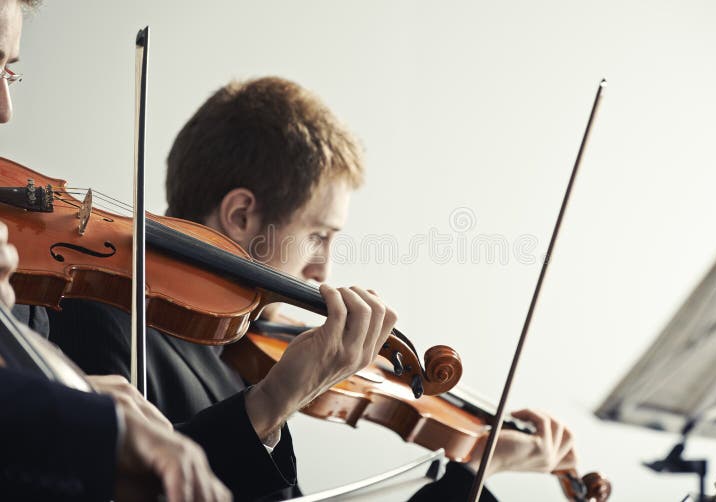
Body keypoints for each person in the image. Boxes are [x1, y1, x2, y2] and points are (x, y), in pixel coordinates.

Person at [49, 77, 577, 500]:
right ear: (241, 214)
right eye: (319, 235)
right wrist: (275, 400)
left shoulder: (240, 349)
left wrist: (475, 469)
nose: (324, 267)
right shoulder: (99, 315)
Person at [0, 0, 231, 500]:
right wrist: (93, 423)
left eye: (8, 71)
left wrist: (69, 392)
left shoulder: (28, 284)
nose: (5, 111)